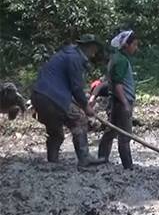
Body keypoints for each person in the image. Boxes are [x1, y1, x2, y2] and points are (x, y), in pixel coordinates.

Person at [30, 35, 105, 166]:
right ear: (90, 47)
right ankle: (84, 158)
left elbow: (66, 85)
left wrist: (78, 102)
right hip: (52, 97)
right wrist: (86, 107)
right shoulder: (74, 58)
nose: (93, 55)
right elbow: (76, 88)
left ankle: (52, 161)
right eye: (94, 51)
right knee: (80, 119)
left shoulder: (64, 54)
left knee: (56, 132)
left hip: (39, 96)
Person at [98, 30, 140, 169]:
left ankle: (102, 158)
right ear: (126, 45)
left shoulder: (116, 58)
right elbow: (117, 84)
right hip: (121, 102)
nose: (135, 48)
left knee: (111, 131)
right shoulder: (121, 60)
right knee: (125, 135)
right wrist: (125, 103)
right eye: (134, 45)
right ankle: (128, 166)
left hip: (115, 102)